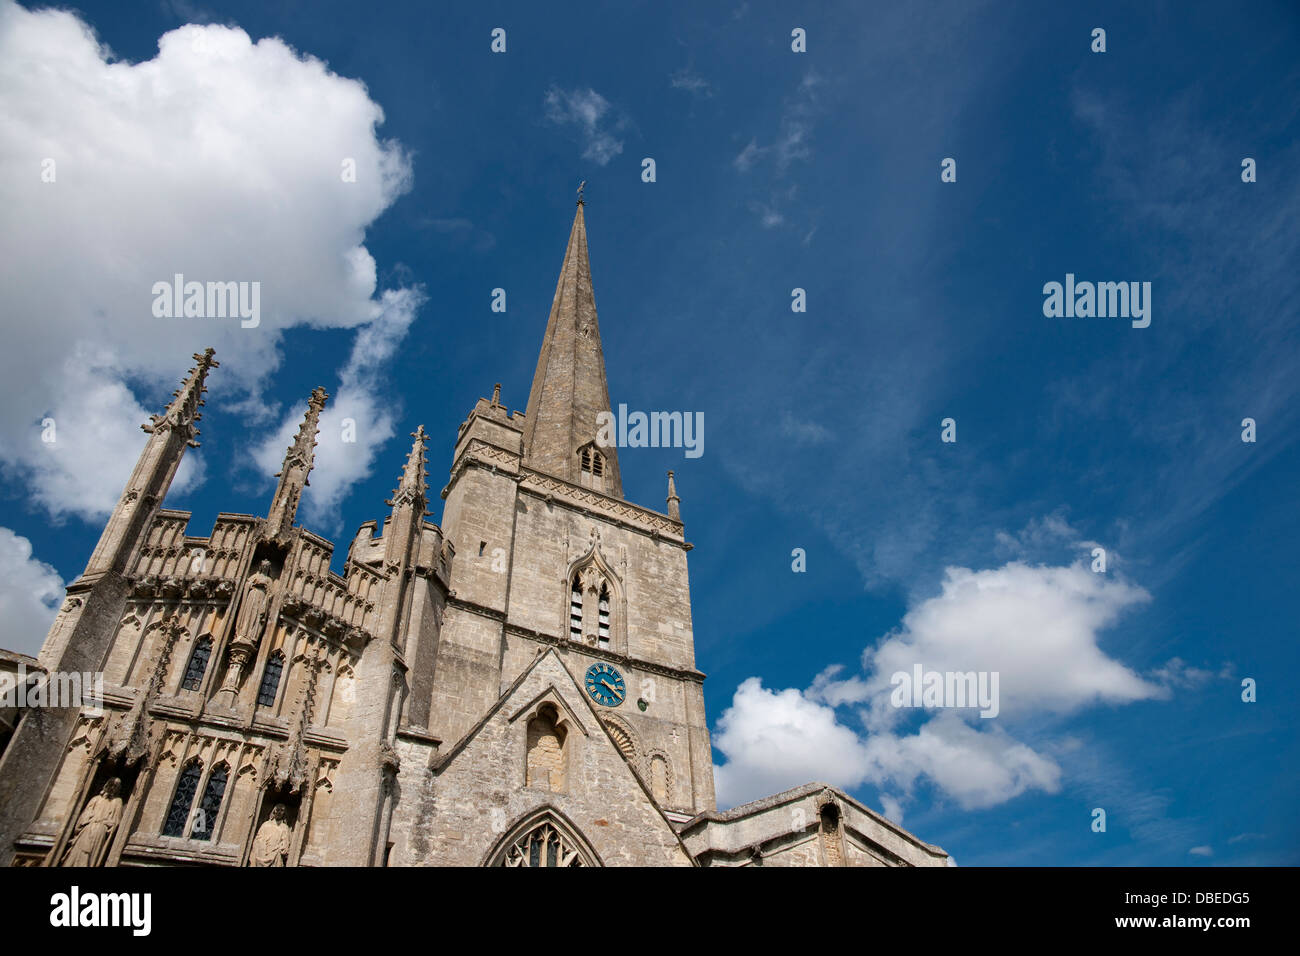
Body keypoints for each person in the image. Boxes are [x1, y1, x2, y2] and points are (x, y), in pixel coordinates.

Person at [61, 777, 123, 866]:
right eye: (111, 785)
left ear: (118, 789)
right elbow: (84, 817)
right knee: (77, 853)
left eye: (116, 786)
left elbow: (116, 821)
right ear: (107, 785)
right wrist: (89, 820)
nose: (113, 788)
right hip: (88, 828)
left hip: (100, 831)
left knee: (91, 857)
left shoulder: (117, 802)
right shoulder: (96, 799)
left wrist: (105, 823)